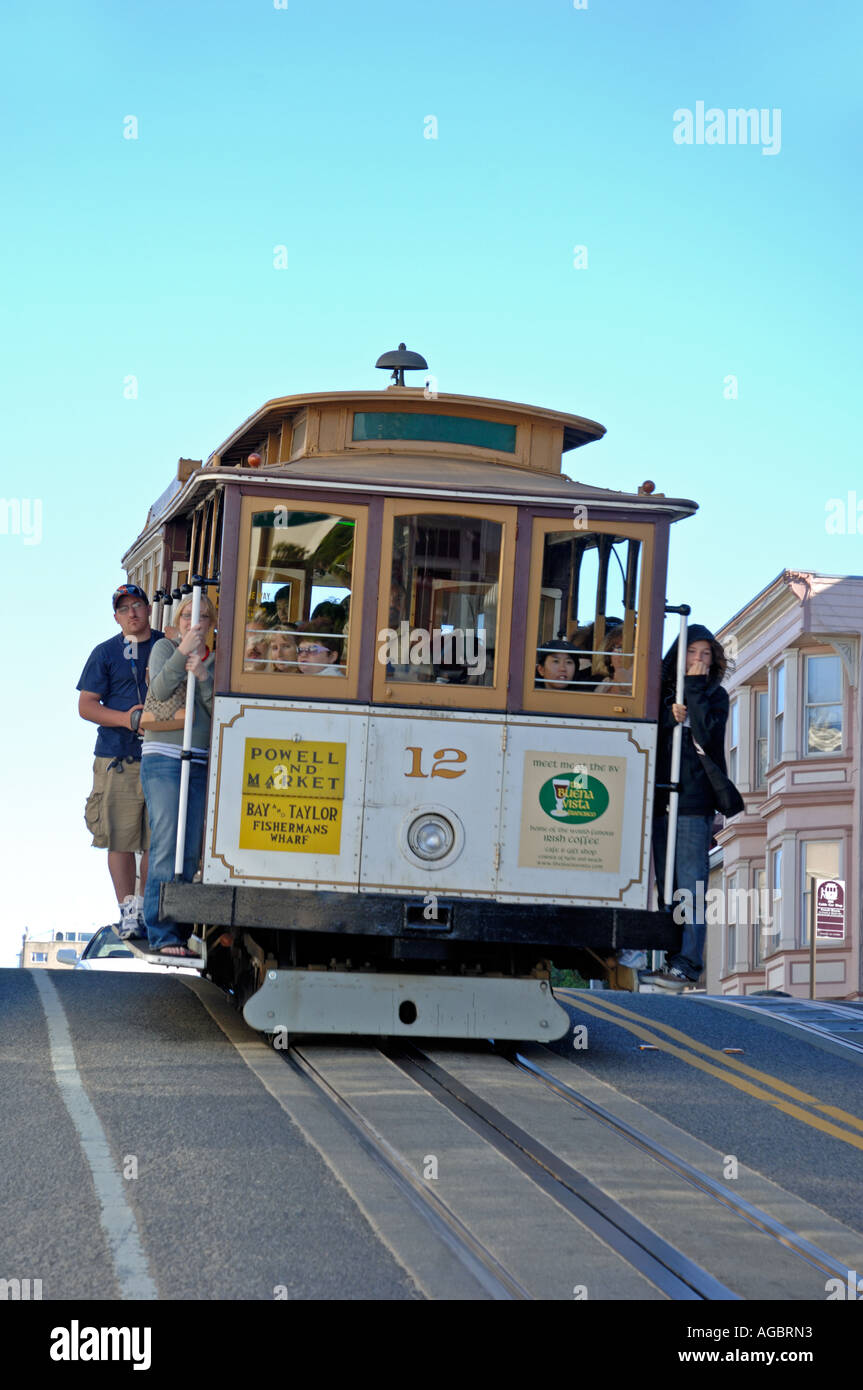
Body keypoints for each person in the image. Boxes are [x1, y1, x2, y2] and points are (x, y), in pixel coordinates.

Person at [643, 624, 730, 991]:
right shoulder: (659, 694)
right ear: (679, 656)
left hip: (694, 802)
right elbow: (648, 735)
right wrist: (668, 715)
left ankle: (689, 964)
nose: (699, 659)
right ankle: (671, 959)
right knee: (667, 888)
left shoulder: (716, 695)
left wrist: (693, 692)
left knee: (691, 886)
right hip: (662, 797)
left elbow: (709, 736)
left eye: (705, 653)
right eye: (692, 652)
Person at [77, 585, 164, 936]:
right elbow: (86, 706)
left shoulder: (165, 646)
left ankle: (146, 908)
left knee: (156, 839)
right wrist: (128, 719)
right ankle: (129, 910)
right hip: (117, 756)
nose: (132, 613)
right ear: (116, 617)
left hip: (163, 754)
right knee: (121, 838)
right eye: (125, 608)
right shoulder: (105, 653)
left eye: (138, 605)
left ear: (148, 610)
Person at [140, 594, 216, 957]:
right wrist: (180, 652)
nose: (193, 620)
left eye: (201, 616)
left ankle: (181, 928)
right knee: (167, 842)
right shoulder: (162, 649)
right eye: (187, 614)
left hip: (198, 758)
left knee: (189, 848)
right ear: (178, 619)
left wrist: (201, 675)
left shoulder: (217, 661)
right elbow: (158, 693)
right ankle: (160, 931)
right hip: (164, 757)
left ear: (212, 624)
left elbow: (217, 710)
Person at [596, 626, 635, 695]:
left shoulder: (647, 689)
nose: (625, 653)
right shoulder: (602, 684)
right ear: (609, 655)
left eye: (633, 648)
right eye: (619, 647)